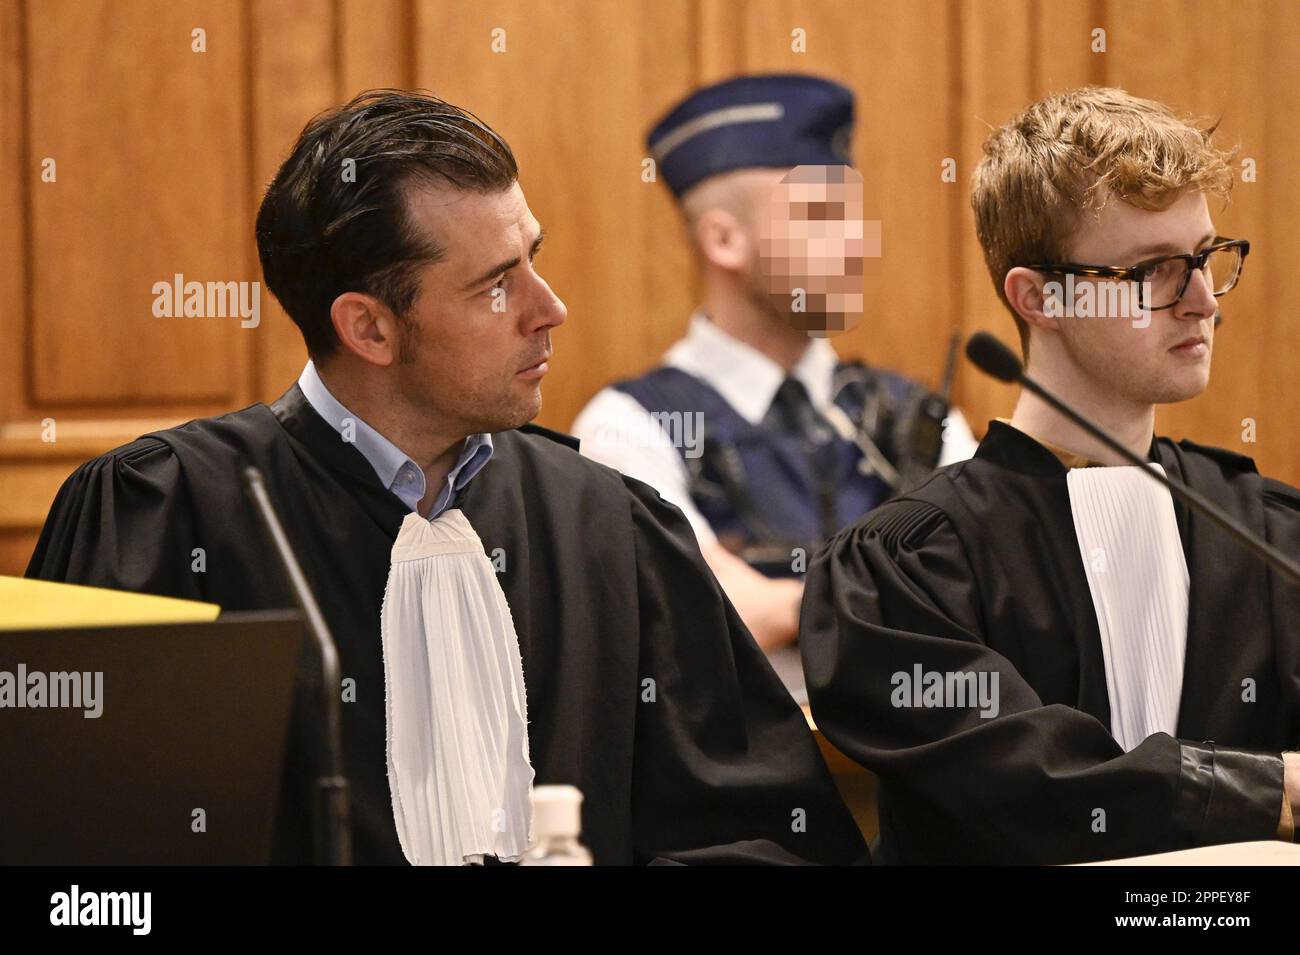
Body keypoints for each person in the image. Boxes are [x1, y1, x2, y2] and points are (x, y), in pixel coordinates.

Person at [27, 89, 867, 866]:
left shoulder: (608, 525)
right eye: (498, 285)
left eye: (533, 257)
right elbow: (84, 882)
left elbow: (770, 837)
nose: (550, 308)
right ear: (370, 328)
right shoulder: (161, 518)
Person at [800, 86, 1300, 864]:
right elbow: (1034, 789)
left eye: (1206, 258)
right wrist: (1272, 792)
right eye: (1156, 270)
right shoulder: (903, 568)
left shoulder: (1272, 532)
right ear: (1039, 297)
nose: (1203, 301)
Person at [572, 74, 977, 653]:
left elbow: (985, 597)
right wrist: (902, 598)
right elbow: (718, 617)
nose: (859, 244)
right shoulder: (627, 426)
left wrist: (792, 605)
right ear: (723, 240)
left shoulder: (921, 417)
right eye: (822, 215)